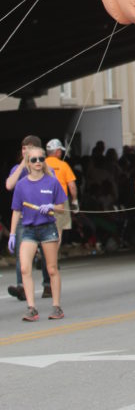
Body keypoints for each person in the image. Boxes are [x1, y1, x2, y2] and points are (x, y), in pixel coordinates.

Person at [9, 145, 67, 322]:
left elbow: (62, 208)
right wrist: (12, 234)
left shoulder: (52, 182)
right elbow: (16, 211)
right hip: (28, 230)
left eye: (41, 159)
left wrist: (52, 207)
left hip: (47, 228)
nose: (38, 163)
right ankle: (31, 308)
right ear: (28, 162)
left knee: (51, 268)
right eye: (33, 160)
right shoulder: (21, 185)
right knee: (25, 268)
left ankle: (56, 306)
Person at [5, 134, 52, 301]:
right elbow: (9, 185)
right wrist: (21, 166)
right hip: (24, 218)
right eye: (23, 148)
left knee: (47, 253)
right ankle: (22, 287)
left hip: (43, 218)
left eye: (29, 148)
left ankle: (48, 285)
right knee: (21, 253)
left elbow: (54, 190)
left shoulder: (45, 168)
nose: (25, 151)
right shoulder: (17, 169)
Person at [45, 139, 79, 256]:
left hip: (43, 199)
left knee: (43, 229)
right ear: (58, 151)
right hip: (60, 201)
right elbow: (72, 186)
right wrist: (74, 200)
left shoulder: (41, 164)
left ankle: (42, 253)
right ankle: (52, 258)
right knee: (58, 230)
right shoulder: (63, 165)